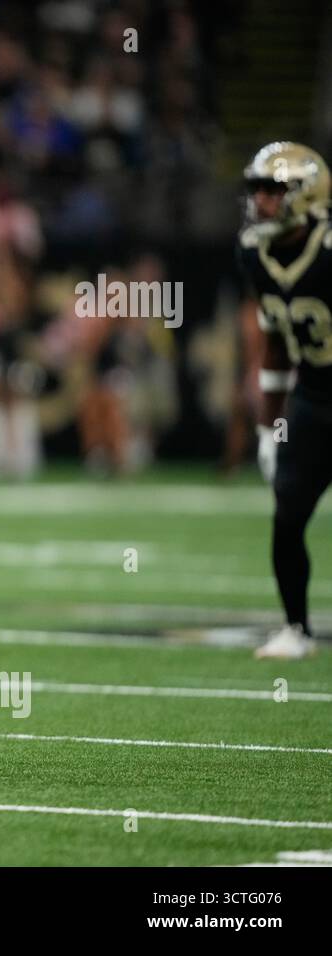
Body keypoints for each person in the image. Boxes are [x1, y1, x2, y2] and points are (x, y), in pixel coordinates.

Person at [237, 141, 332, 660]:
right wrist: (268, 429)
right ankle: (296, 628)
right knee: (288, 511)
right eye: (257, 189)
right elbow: (274, 339)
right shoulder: (254, 251)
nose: (261, 201)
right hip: (314, 399)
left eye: (272, 190)